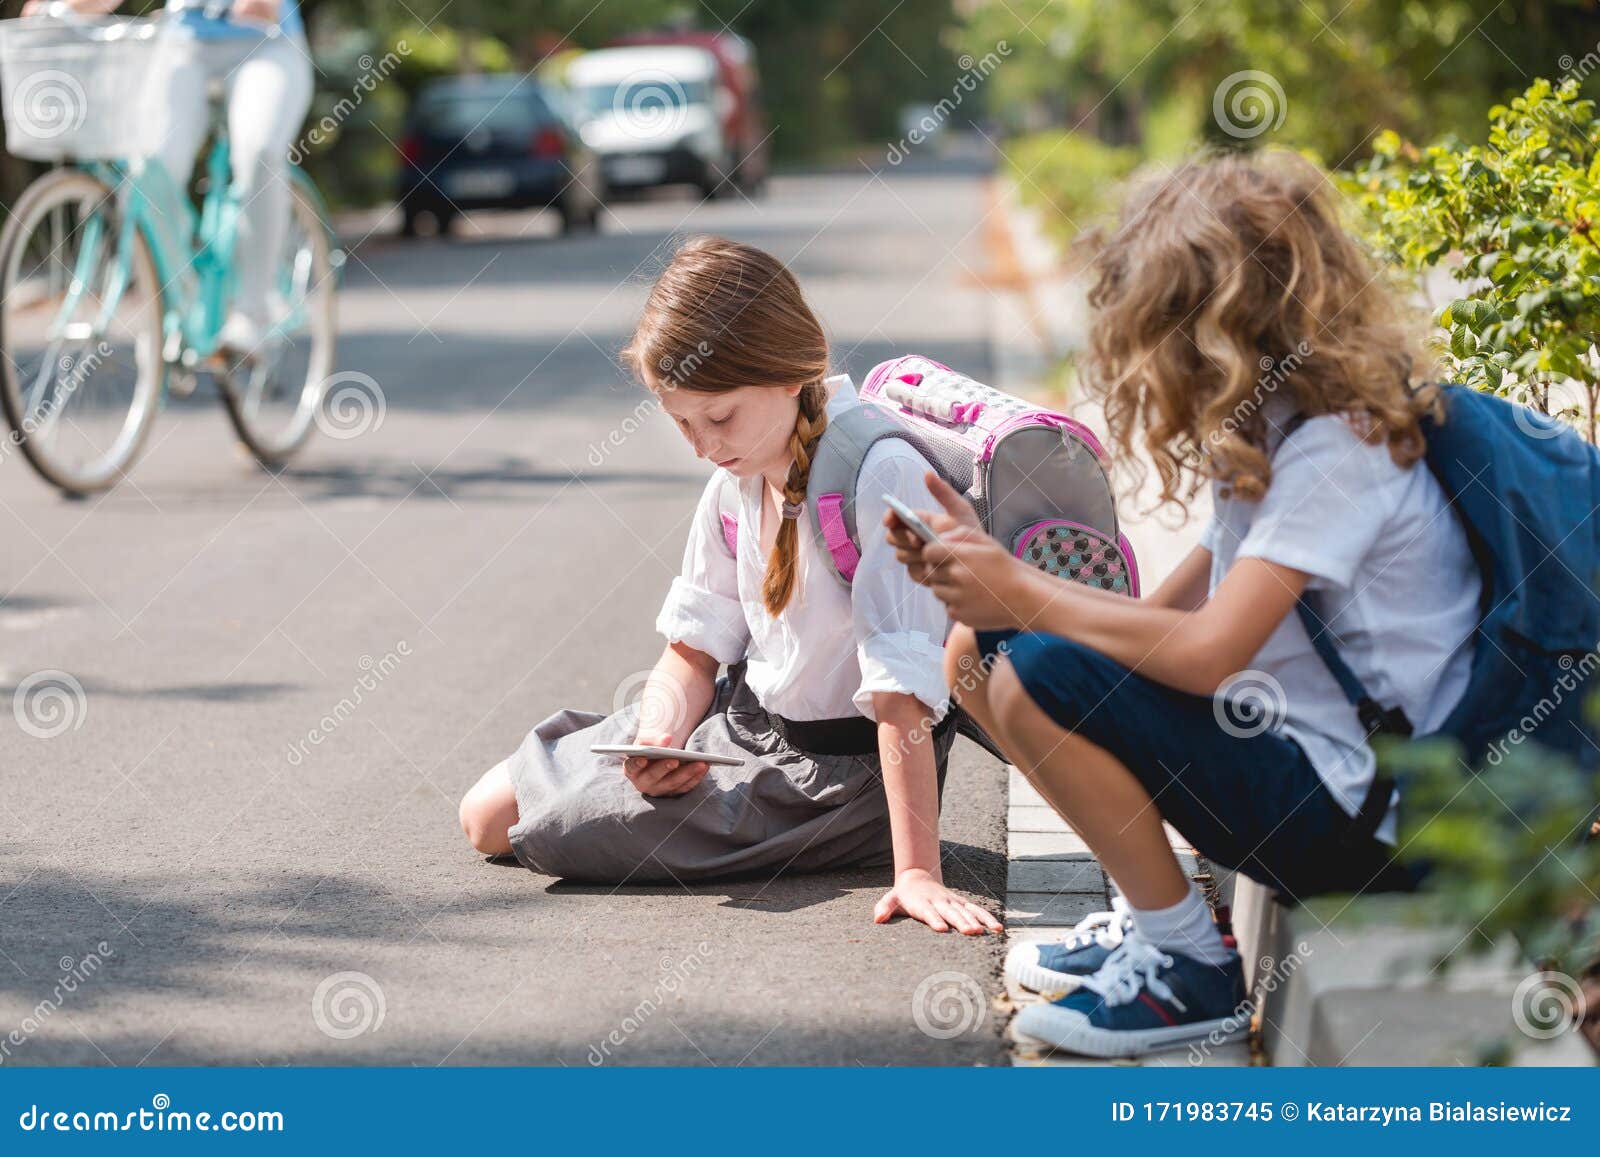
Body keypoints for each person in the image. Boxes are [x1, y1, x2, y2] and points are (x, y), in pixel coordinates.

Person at [887, 150, 1480, 1056]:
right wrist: (992, 577)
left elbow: (1203, 652)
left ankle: (1190, 971)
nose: (1137, 352)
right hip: (1310, 770)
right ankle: (1151, 919)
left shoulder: (1338, 452)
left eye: (1154, 321)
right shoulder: (1275, 439)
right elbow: (1162, 616)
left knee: (1038, 666)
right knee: (986, 649)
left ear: (1223, 323)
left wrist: (1026, 594)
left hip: (1377, 825)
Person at [458, 235, 1002, 937]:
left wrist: (917, 871)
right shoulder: (732, 485)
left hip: (833, 780)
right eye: (681, 421)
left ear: (788, 370)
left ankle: (862, 842)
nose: (704, 445)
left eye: (719, 416)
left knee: (556, 827)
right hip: (740, 726)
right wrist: (663, 732)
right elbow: (692, 651)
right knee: (486, 813)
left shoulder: (879, 473)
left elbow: (902, 697)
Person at [25, 0, 313, 353]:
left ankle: (254, 310)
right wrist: (63, 7)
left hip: (266, 42)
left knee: (259, 151)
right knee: (146, 169)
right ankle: (184, 300)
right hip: (183, 46)